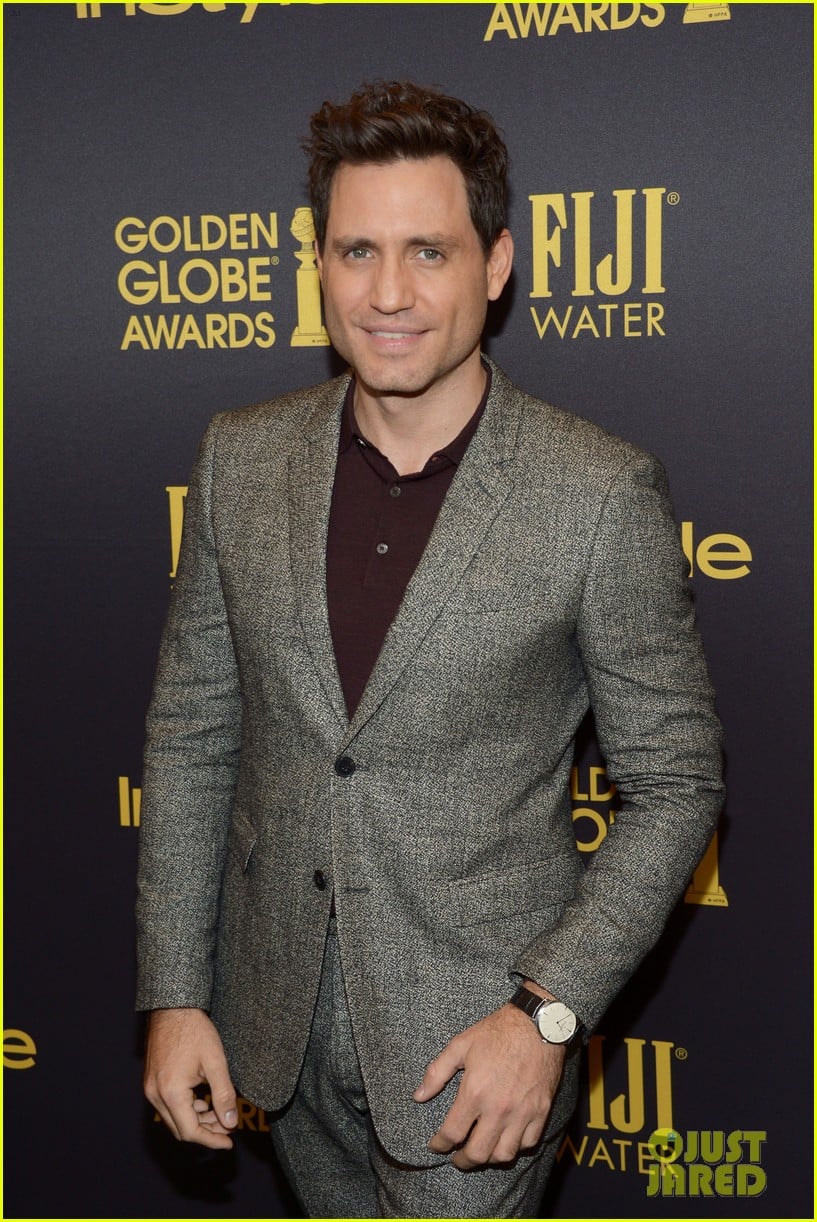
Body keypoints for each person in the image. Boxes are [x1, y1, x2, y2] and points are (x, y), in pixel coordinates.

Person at [136, 80, 723, 1218]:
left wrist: (545, 1015)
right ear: (317, 263)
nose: (388, 293)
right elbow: (195, 737)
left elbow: (675, 782)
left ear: (495, 264)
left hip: (478, 1049)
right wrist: (174, 990)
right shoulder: (239, 460)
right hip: (274, 1027)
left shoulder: (596, 492)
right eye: (356, 250)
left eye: (428, 252)